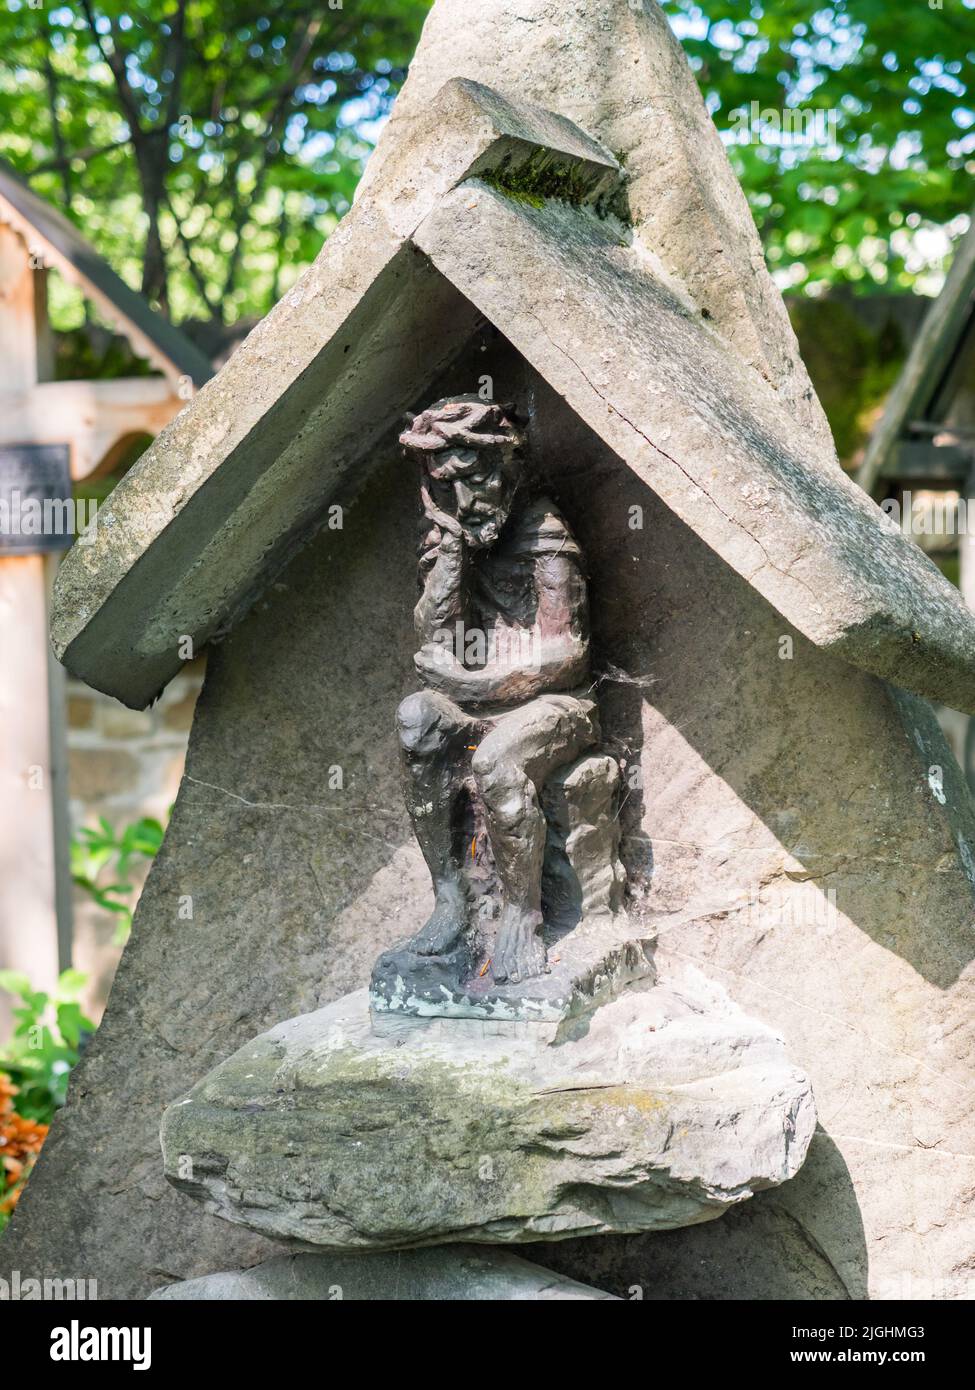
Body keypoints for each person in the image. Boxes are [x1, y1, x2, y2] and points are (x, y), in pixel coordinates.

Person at [396, 394, 599, 985]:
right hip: (475, 697)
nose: (464, 500)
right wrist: (451, 548)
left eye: (474, 479)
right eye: (445, 485)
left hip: (555, 704)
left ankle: (521, 915)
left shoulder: (543, 527)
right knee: (416, 721)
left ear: (507, 466)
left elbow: (567, 653)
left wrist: (476, 683)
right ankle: (449, 899)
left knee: (497, 761)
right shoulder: (452, 531)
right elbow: (435, 637)